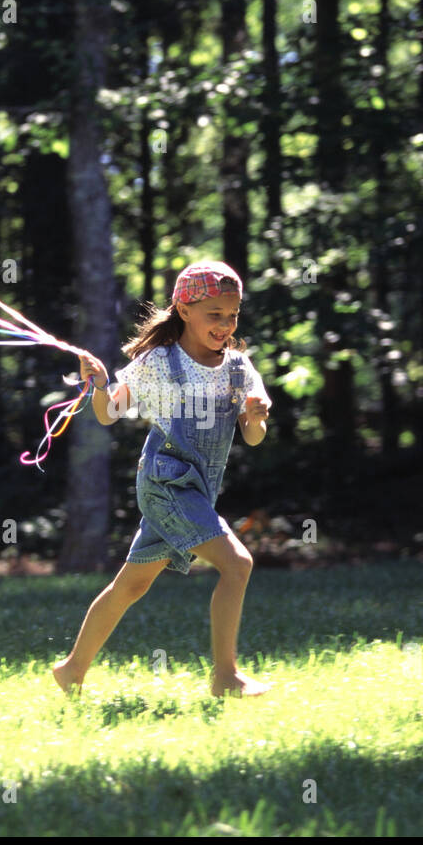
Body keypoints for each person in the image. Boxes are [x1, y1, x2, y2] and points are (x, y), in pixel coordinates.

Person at [53, 261, 273, 698]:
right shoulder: (158, 361)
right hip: (165, 483)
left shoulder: (239, 369)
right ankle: (225, 676)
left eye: (232, 315)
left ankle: (71, 669)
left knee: (131, 584)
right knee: (238, 564)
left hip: (198, 490)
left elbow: (253, 437)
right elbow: (109, 412)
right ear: (184, 309)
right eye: (215, 314)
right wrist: (99, 385)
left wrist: (255, 416)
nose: (225, 325)